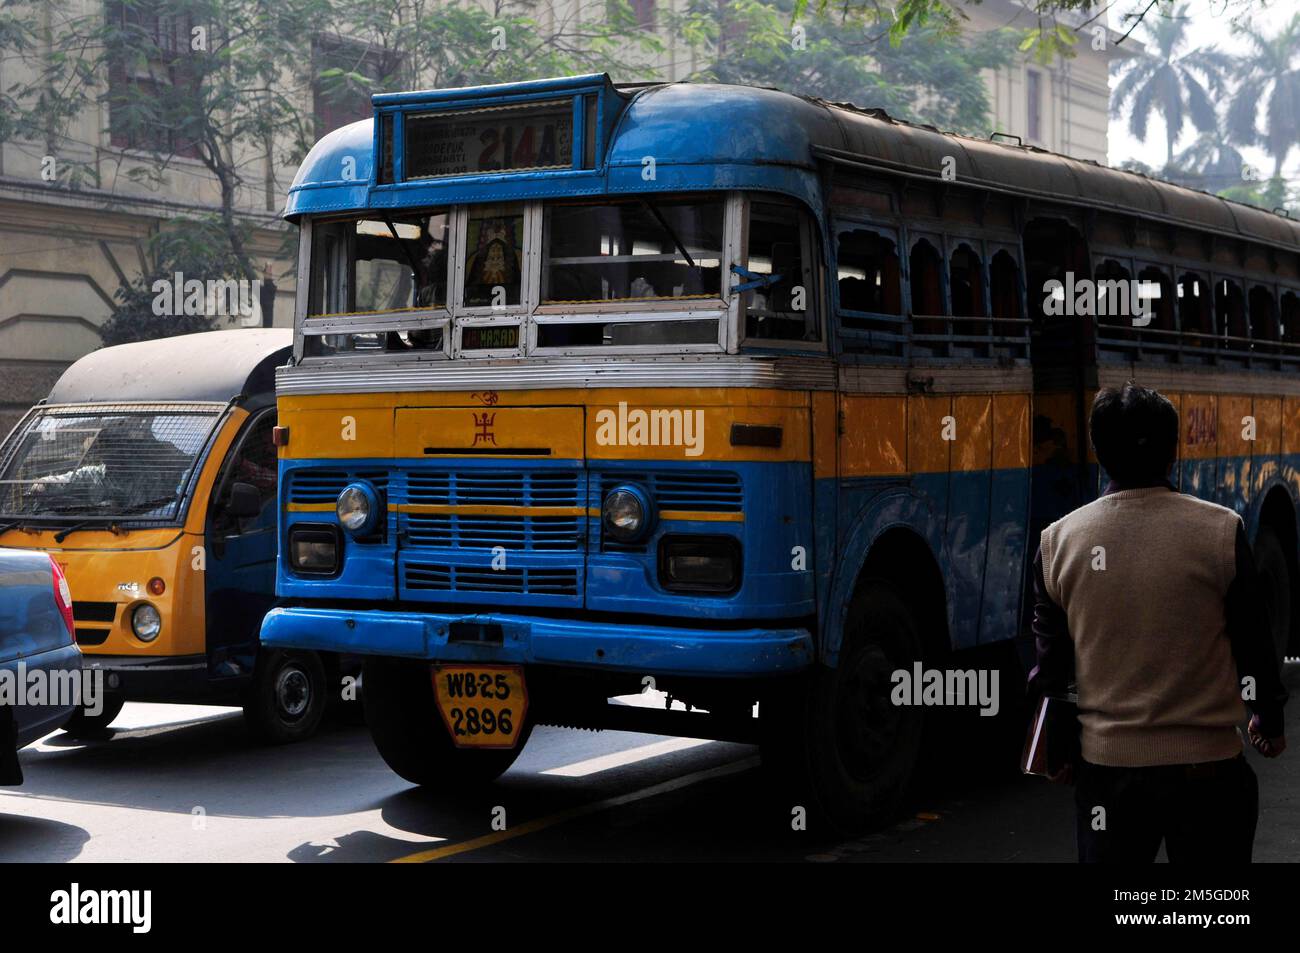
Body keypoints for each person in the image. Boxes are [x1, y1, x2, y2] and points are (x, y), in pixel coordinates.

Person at [1029, 382, 1288, 863]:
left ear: (1099, 453)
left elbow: (1055, 668)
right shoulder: (1221, 531)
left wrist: (1060, 750)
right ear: (1174, 451)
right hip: (1209, 773)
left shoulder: (1058, 543)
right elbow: (1253, 643)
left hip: (1109, 775)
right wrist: (1267, 720)